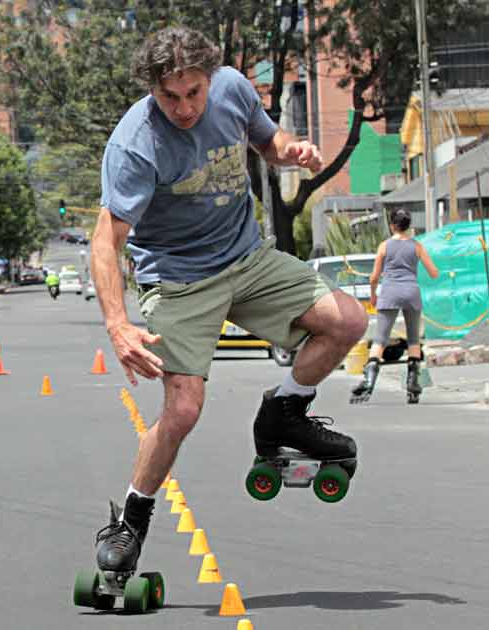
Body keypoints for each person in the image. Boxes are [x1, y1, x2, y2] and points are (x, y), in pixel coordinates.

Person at [87, 27, 365, 586]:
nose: (185, 107)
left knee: (347, 320)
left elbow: (270, 143)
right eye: (171, 96)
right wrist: (118, 325)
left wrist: (294, 153)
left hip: (246, 259)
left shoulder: (234, 89)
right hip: (179, 278)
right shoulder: (135, 142)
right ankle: (131, 521)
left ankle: (283, 413)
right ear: (153, 90)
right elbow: (105, 241)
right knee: (184, 409)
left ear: (210, 79)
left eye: (194, 92)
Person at [350, 209, 440, 404]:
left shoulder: (384, 246)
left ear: (392, 225)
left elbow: (374, 276)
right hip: (411, 292)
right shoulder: (417, 246)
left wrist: (373, 295)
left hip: (389, 292)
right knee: (413, 339)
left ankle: (368, 382)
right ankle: (413, 385)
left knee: (380, 339)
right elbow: (434, 272)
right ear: (408, 226)